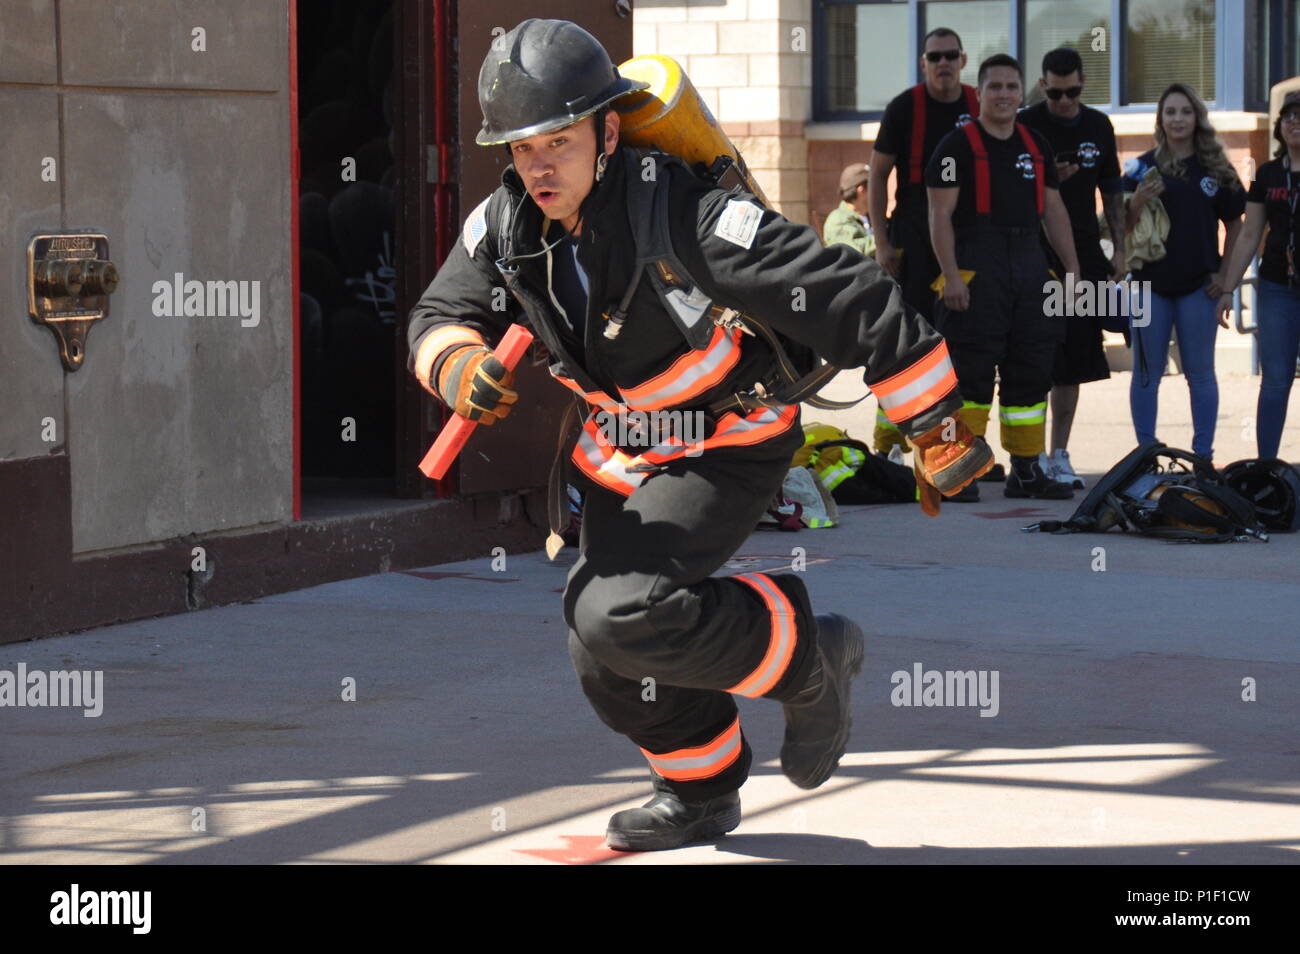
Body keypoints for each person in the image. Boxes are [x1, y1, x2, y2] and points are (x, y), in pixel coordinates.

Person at [406, 19, 992, 851]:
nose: (539, 165)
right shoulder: (503, 227)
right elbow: (438, 315)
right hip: (621, 451)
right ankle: (699, 792)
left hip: (727, 439)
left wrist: (932, 421)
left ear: (608, 131)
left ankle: (812, 659)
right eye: (522, 147)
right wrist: (459, 364)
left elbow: (850, 295)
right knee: (600, 646)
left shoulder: (684, 213)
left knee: (621, 611)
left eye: (559, 141)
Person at [926, 53, 1082, 500]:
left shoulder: (1036, 145)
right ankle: (961, 469)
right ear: (980, 93)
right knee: (970, 374)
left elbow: (1053, 209)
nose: (1004, 95)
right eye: (995, 87)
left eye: (1012, 87)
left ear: (1021, 91)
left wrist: (1072, 269)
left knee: (1031, 370)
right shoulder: (954, 147)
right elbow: (940, 215)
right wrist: (951, 276)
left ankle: (1027, 470)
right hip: (977, 265)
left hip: (1031, 265)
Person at [868, 27, 988, 462]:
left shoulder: (980, 103)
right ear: (923, 63)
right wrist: (882, 242)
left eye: (951, 55)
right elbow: (877, 174)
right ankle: (889, 446)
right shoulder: (904, 108)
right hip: (914, 236)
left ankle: (959, 445)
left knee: (966, 344)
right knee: (909, 344)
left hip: (969, 237)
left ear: (963, 60)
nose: (943, 63)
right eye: (935, 56)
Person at [1018, 47, 1126, 489]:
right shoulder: (1026, 124)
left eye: (1073, 91)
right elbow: (1006, 190)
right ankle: (1029, 457)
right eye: (1057, 92)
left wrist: (1120, 250)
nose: (1064, 101)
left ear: (1084, 84)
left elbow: (1113, 190)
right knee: (1033, 357)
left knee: (1076, 356)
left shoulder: (1098, 125)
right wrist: (1049, 185)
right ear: (1043, 85)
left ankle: (1060, 452)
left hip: (1082, 256)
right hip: (1030, 253)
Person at [1123, 83, 1245, 465]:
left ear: (1197, 118)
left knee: (1201, 374)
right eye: (1170, 112)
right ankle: (1146, 453)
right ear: (1160, 118)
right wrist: (1139, 200)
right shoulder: (1141, 166)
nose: (1177, 119)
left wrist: (1227, 280)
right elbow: (1117, 228)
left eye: (1185, 111)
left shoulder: (1216, 169)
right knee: (1147, 375)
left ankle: (1204, 457)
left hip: (1199, 287)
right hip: (1149, 287)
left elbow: (1239, 227)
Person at [1215, 90, 1300, 460]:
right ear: (1280, 126)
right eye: (1289, 116)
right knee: (1276, 379)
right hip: (1277, 286)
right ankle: (1266, 465)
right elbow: (1250, 233)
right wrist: (1227, 288)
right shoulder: (1267, 174)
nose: (1295, 122)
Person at [822, 162, 876, 257]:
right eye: (875, 187)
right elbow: (854, 252)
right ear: (861, 190)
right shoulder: (838, 219)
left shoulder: (868, 217)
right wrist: (887, 241)